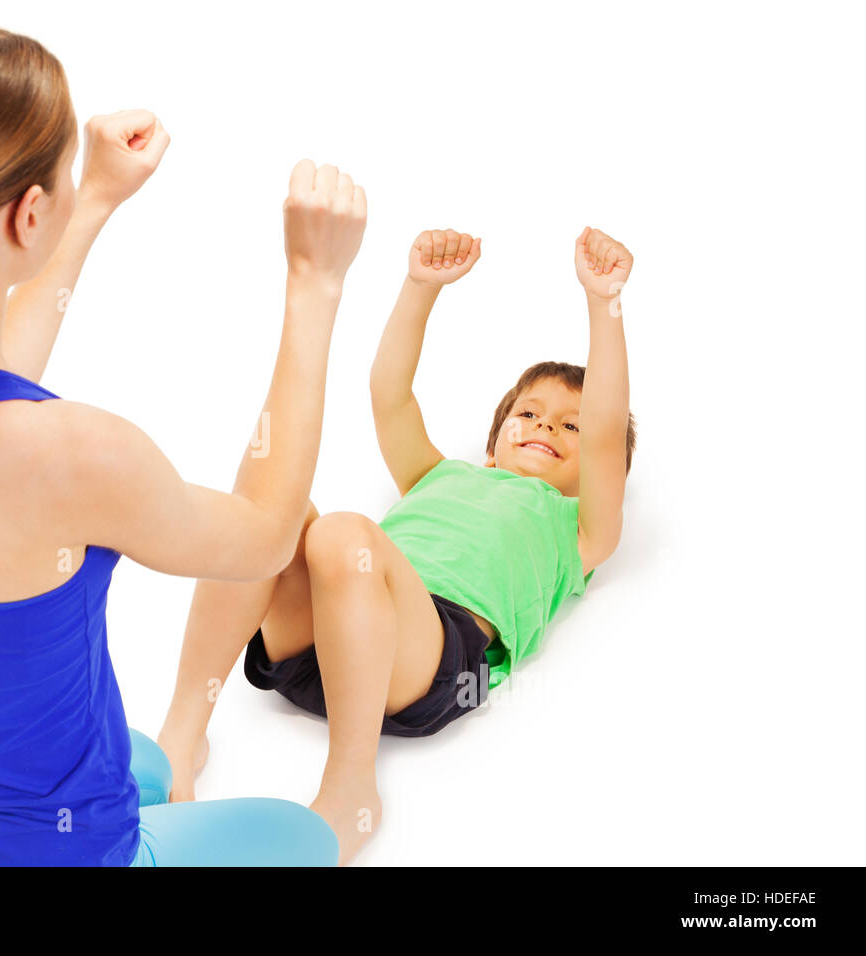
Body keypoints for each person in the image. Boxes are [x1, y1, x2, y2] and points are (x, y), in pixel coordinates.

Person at [0, 25, 367, 866]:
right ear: (28, 213)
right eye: (62, 186)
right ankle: (344, 803)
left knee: (145, 758)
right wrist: (316, 279)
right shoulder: (75, 454)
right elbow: (264, 535)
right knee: (301, 835)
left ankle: (167, 768)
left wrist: (97, 199)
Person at [156, 225, 637, 864]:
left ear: (603, 475)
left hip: (425, 663)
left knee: (343, 535)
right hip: (322, 646)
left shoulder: (580, 530)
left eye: (570, 425)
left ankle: (351, 784)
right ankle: (181, 738)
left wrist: (603, 303)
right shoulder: (439, 474)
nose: (545, 423)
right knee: (279, 511)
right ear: (491, 445)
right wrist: (420, 288)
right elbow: (390, 393)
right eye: (528, 412)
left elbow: (608, 430)